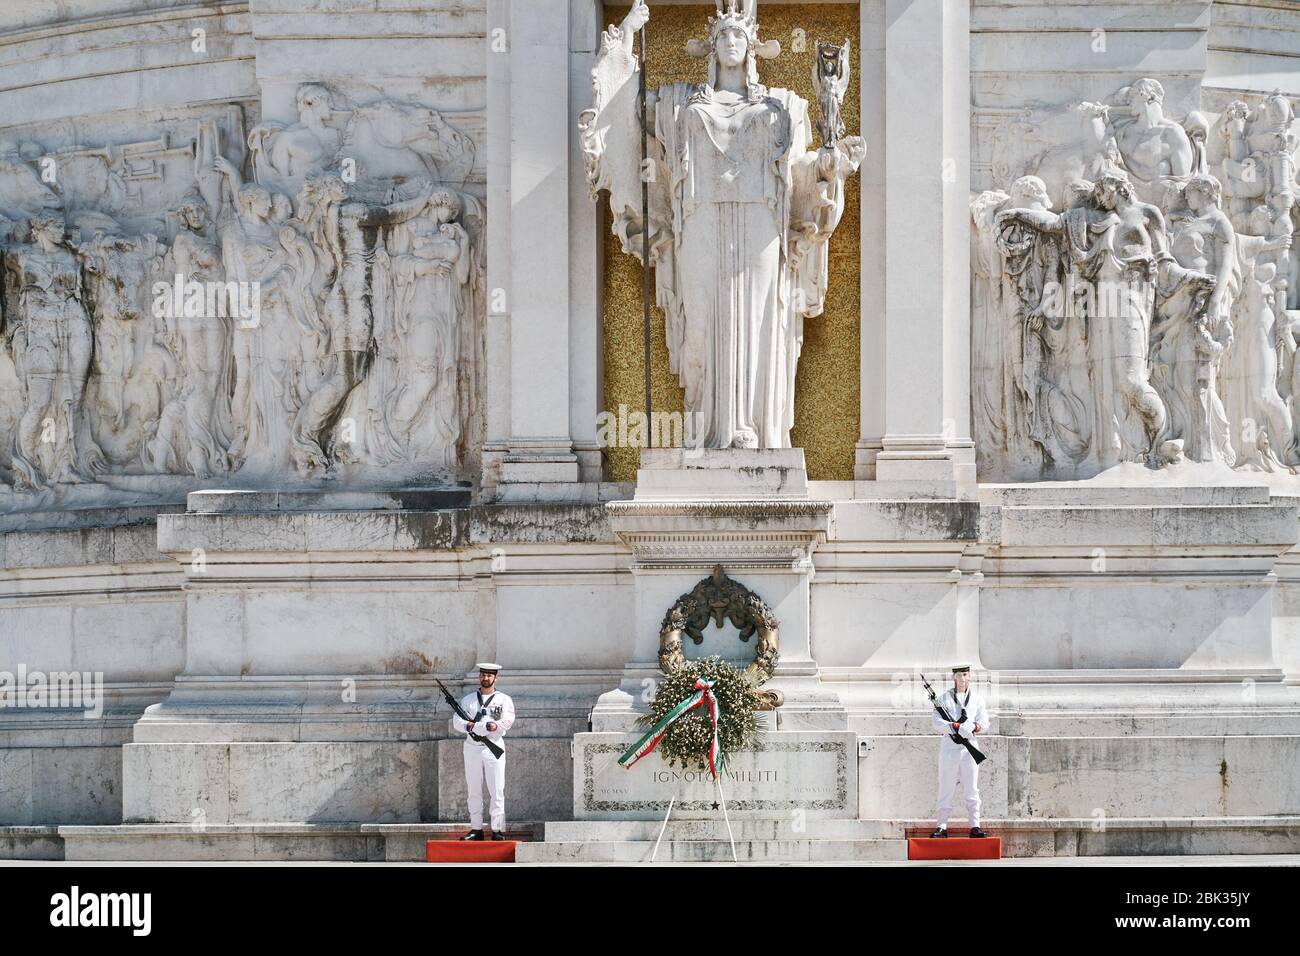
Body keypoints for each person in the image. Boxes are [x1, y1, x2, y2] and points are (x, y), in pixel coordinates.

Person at [453, 663, 514, 841]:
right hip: (472, 748)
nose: (485, 678)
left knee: (497, 790)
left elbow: (508, 720)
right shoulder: (469, 700)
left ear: (496, 678)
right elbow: (457, 722)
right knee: (473, 790)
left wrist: (493, 726)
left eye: (489, 675)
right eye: (483, 675)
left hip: (493, 747)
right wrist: (470, 725)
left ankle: (497, 829)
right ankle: (476, 829)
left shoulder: (504, 700)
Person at [931, 665, 989, 839]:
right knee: (946, 786)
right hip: (950, 747)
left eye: (965, 674)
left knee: (971, 788)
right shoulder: (943, 699)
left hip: (969, 747)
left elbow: (985, 723)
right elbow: (936, 722)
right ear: (953, 678)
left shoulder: (977, 699)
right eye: (959, 675)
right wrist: (953, 726)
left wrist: (973, 727)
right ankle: (941, 826)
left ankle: (975, 825)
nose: (962, 678)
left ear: (970, 676)